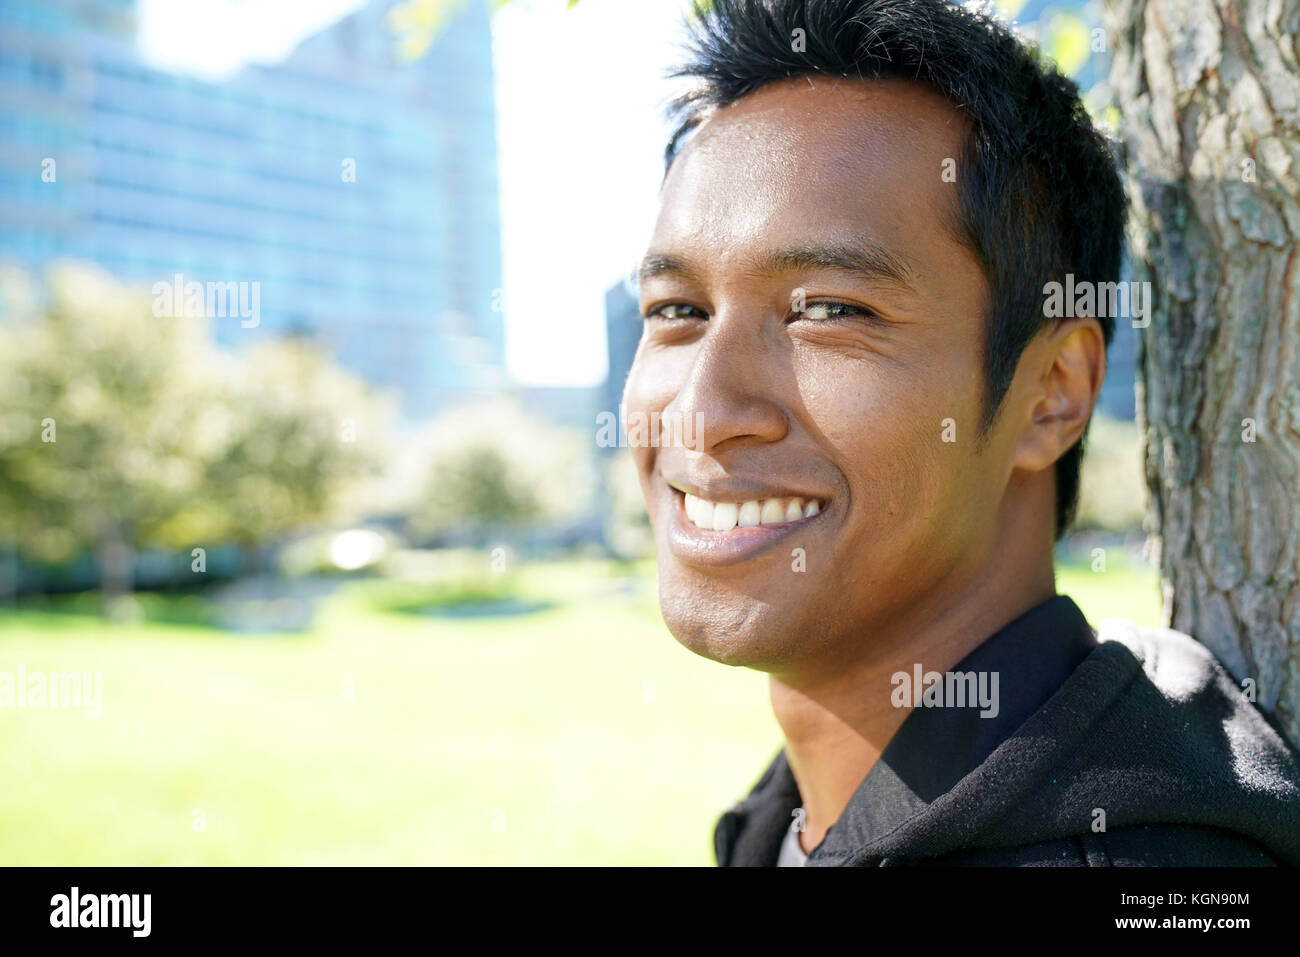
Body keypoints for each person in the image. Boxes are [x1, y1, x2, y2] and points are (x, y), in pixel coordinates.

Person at [622, 0, 1300, 866]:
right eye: (677, 310)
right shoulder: (800, 814)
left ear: (1050, 393)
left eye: (830, 310)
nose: (701, 413)